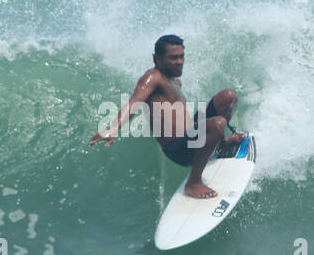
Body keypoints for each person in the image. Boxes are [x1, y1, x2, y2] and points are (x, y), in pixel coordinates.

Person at [89, 34, 246, 199]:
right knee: (218, 123)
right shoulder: (152, 78)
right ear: (157, 58)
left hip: (191, 136)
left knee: (229, 96)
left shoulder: (175, 81)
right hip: (179, 149)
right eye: (173, 58)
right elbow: (134, 103)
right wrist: (113, 128)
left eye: (181, 56)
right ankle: (193, 183)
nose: (180, 61)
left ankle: (219, 144)